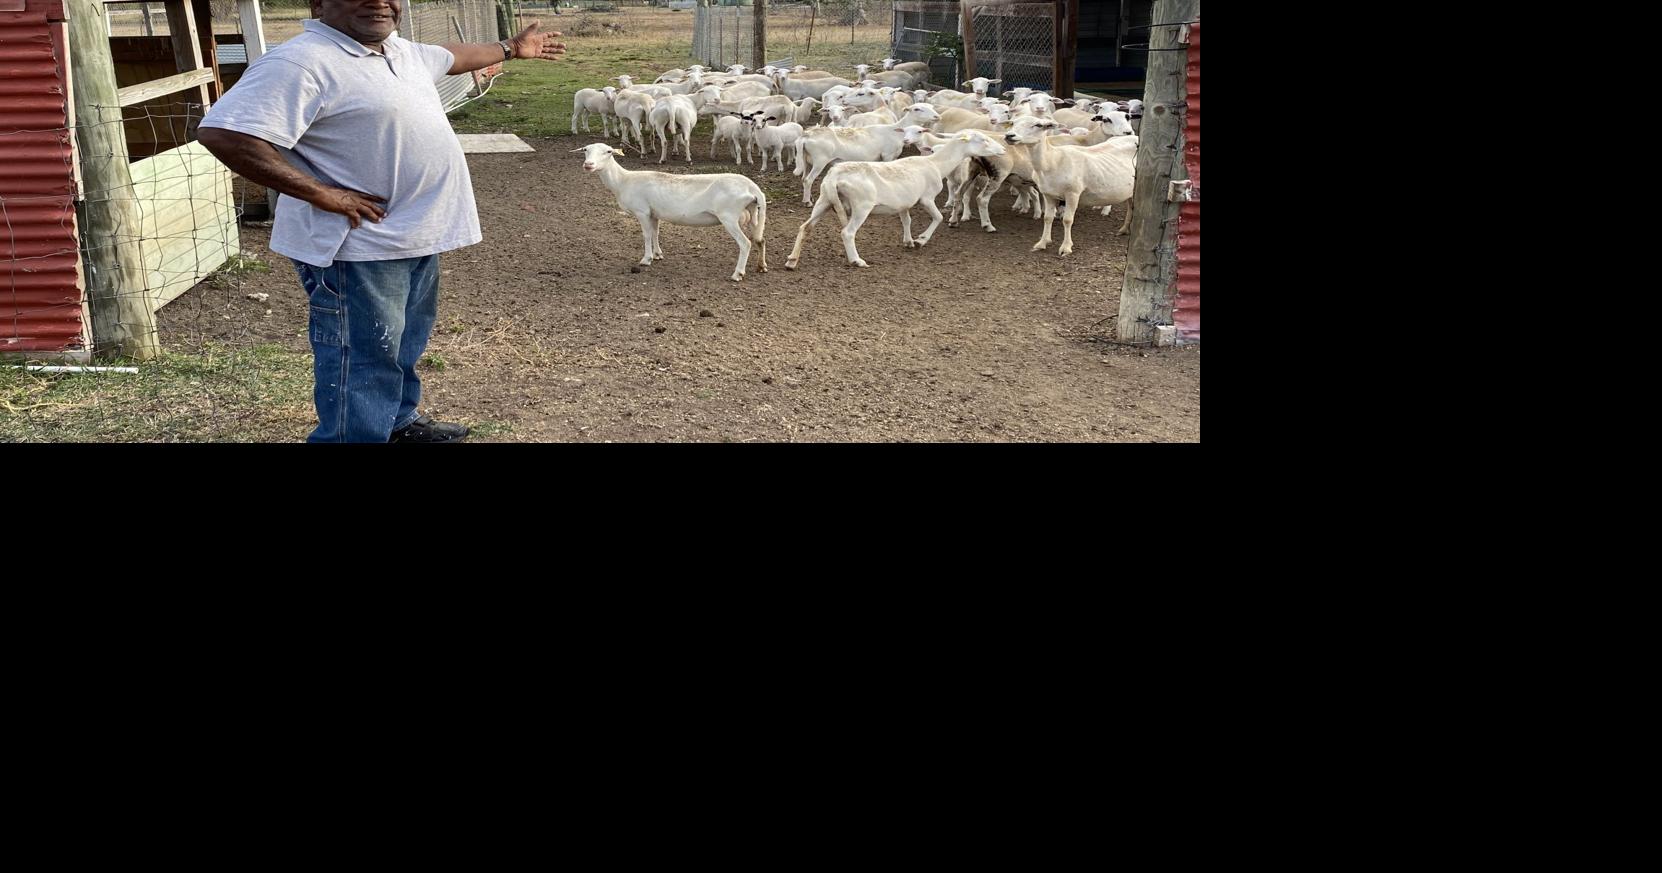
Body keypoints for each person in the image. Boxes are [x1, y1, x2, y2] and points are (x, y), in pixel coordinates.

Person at [197, 0, 565, 442]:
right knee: (363, 355)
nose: (378, 2)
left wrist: (508, 47)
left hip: (413, 234)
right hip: (356, 245)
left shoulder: (398, 51)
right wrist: (321, 193)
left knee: (401, 344)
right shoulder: (302, 61)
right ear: (319, 3)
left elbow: (452, 57)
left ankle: (397, 423)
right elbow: (225, 132)